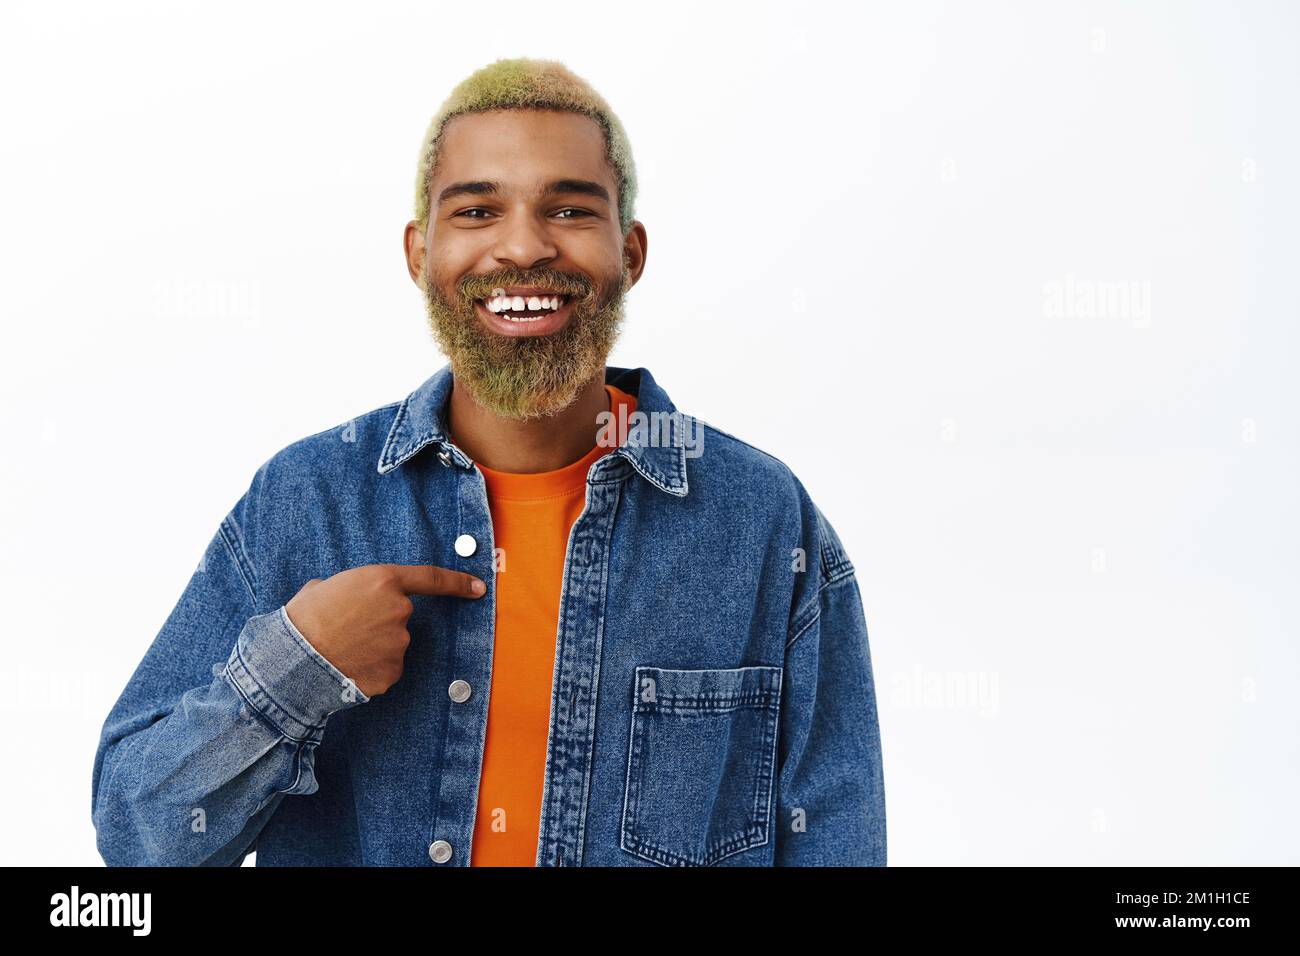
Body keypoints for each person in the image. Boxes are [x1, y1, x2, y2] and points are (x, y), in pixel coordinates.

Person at [91, 57, 886, 867]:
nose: (522, 246)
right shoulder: (307, 501)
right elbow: (140, 836)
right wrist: (300, 667)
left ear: (631, 251)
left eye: (570, 208)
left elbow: (837, 836)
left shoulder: (758, 518)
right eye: (477, 211)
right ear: (418, 253)